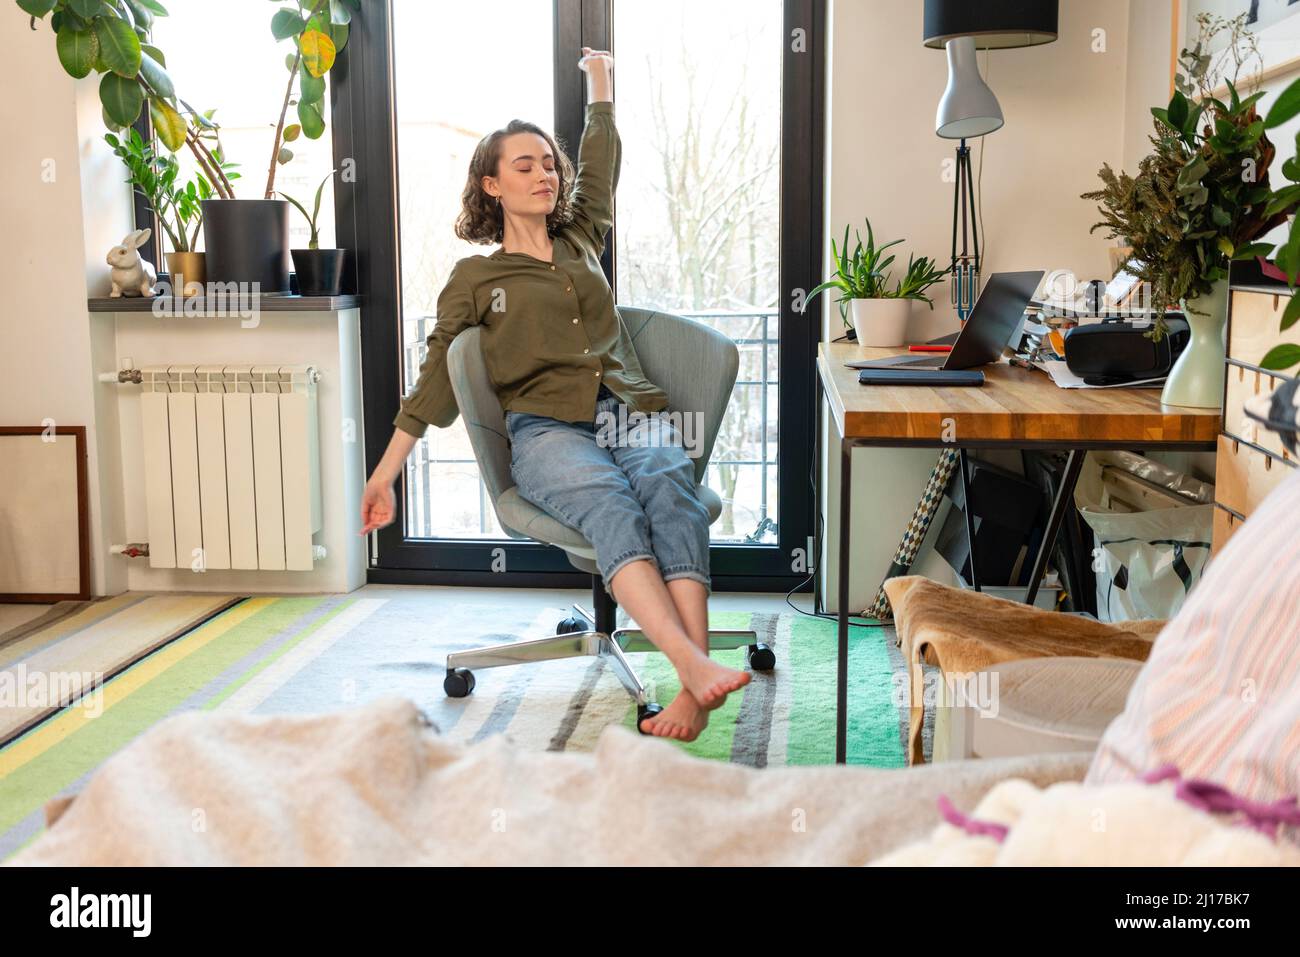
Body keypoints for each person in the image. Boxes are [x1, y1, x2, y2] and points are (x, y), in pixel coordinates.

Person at [360, 47, 749, 741]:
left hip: (628, 408)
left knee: (671, 486)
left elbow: (601, 164)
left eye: (548, 163)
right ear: (490, 185)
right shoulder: (475, 279)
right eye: (524, 164)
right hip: (545, 432)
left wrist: (600, 84)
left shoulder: (577, 241)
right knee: (613, 507)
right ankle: (691, 663)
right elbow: (433, 376)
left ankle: (692, 689)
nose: (544, 173)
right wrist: (386, 472)